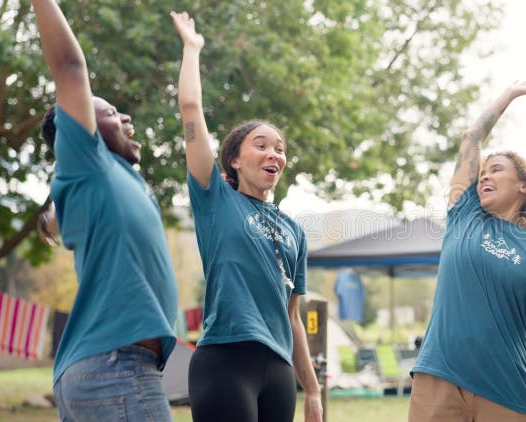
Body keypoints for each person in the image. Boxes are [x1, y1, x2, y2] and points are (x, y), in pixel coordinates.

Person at [170, 11, 322, 422]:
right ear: (234, 159)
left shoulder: (294, 231)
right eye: (261, 145)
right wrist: (192, 48)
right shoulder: (215, 199)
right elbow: (190, 107)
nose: (274, 153)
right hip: (225, 360)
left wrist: (312, 389)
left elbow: (292, 316)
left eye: (280, 148)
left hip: (278, 371)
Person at [31, 1, 179, 420]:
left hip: (108, 367)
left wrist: (52, 215)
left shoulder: (111, 179)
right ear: (82, 132)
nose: (127, 116)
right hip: (116, 367)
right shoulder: (87, 159)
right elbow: (70, 67)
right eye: (111, 113)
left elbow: (67, 213)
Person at [408, 81, 526, 422]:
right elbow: (472, 137)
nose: (485, 176)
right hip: (439, 377)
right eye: (482, 172)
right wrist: (508, 96)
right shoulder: (464, 214)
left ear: (524, 186)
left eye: (496, 170)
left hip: (506, 391)